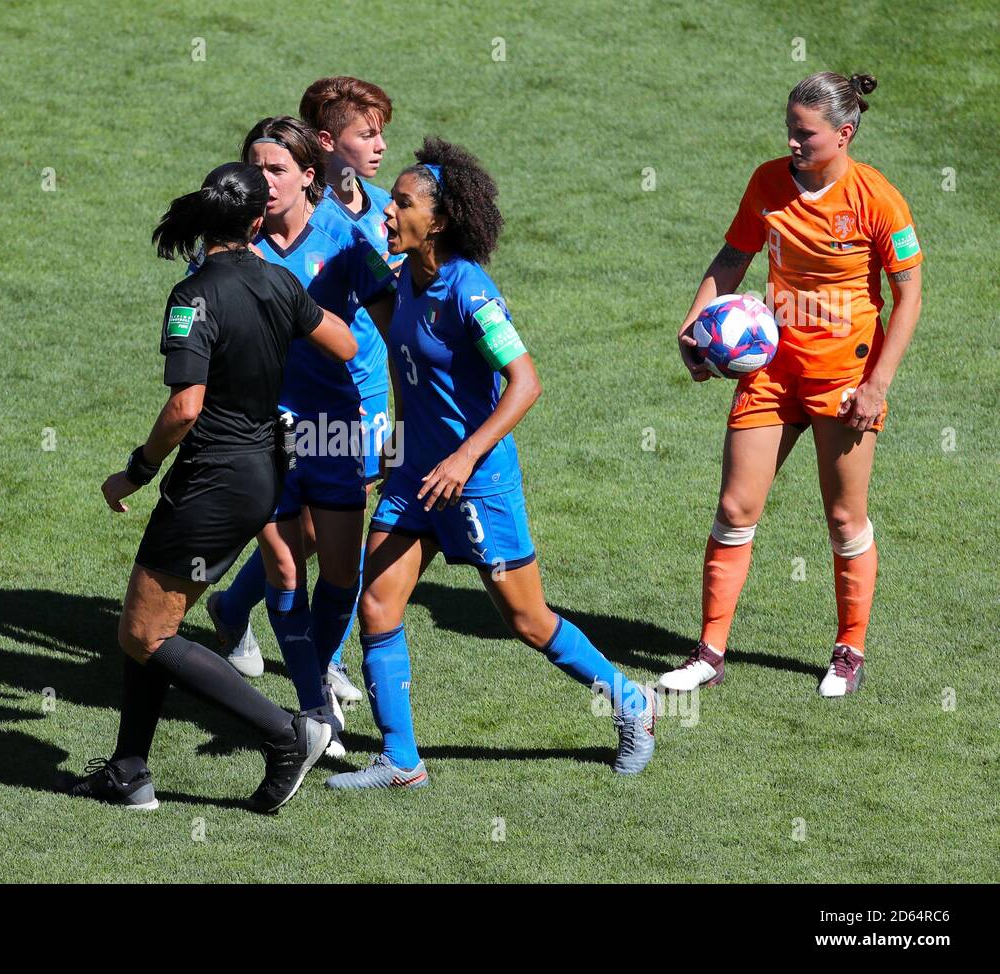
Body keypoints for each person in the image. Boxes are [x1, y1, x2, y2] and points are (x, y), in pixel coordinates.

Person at [327, 138, 658, 791]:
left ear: (440, 220)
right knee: (378, 606)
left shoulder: (469, 292)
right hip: (417, 477)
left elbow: (526, 382)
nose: (388, 213)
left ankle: (634, 707)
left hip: (476, 483)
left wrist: (465, 455)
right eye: (389, 201)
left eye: (401, 203)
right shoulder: (402, 279)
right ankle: (401, 760)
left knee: (527, 620)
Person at [63, 161, 357, 813]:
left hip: (212, 481)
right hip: (262, 473)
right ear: (257, 223)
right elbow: (342, 343)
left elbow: (185, 408)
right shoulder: (280, 282)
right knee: (153, 623)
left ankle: (286, 735)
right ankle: (130, 771)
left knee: (143, 634)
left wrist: (135, 470)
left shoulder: (193, 296)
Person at [664, 72, 923, 697]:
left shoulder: (877, 199)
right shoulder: (768, 181)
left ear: (844, 132)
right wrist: (695, 323)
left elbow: (908, 295)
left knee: (843, 517)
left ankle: (848, 651)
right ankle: (710, 652)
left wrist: (878, 383)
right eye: (788, 128)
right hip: (772, 370)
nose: (792, 141)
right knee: (734, 507)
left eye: (804, 133)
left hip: (845, 377)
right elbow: (733, 256)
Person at [203, 116, 396, 759]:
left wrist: (406, 426)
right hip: (266, 425)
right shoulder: (239, 243)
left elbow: (396, 326)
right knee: (286, 566)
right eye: (255, 168)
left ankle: (298, 657)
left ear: (308, 177)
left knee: (340, 569)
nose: (263, 180)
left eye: (276, 169)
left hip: (338, 424)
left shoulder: (346, 238)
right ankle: (315, 707)